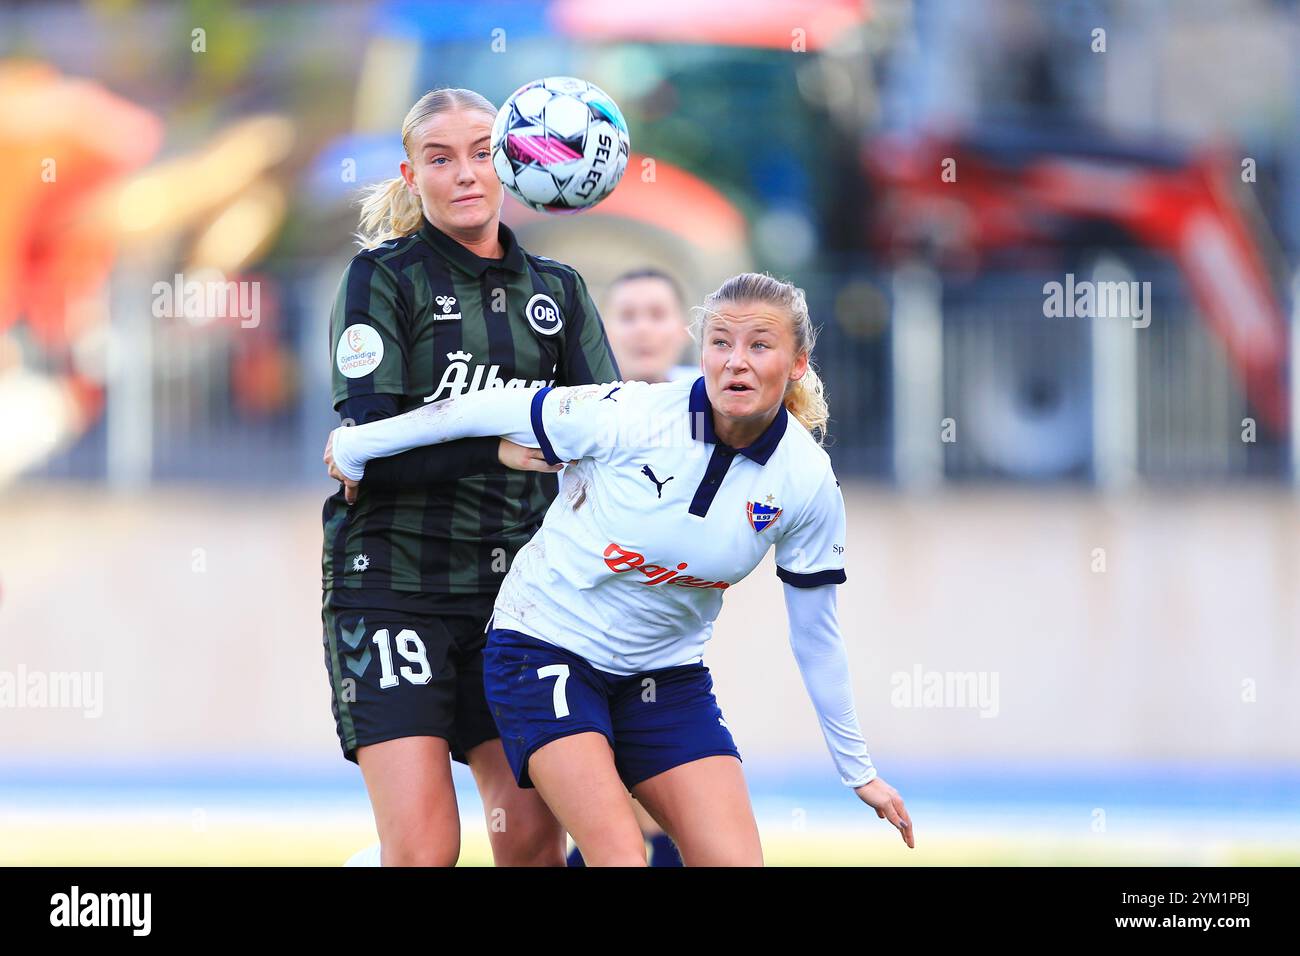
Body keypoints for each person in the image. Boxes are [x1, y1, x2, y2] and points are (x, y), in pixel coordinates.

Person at [325, 272, 913, 866]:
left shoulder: (807, 480)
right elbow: (484, 407)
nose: (736, 361)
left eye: (759, 345)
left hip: (667, 677)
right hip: (545, 650)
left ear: (797, 363)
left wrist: (857, 769)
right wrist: (361, 443)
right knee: (621, 858)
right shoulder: (627, 413)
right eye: (720, 343)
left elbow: (815, 632)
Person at [320, 87, 620, 867]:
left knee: (527, 839)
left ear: (517, 160)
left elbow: (605, 433)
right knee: (425, 853)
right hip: (394, 585)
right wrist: (496, 447)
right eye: (439, 157)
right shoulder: (381, 279)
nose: (465, 174)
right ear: (410, 174)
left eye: (484, 152)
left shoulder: (558, 290)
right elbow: (367, 448)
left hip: (519, 602)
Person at [602, 268, 698, 385]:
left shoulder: (710, 393)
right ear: (603, 332)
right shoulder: (579, 398)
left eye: (658, 315)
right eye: (627, 316)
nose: (642, 329)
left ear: (685, 329)